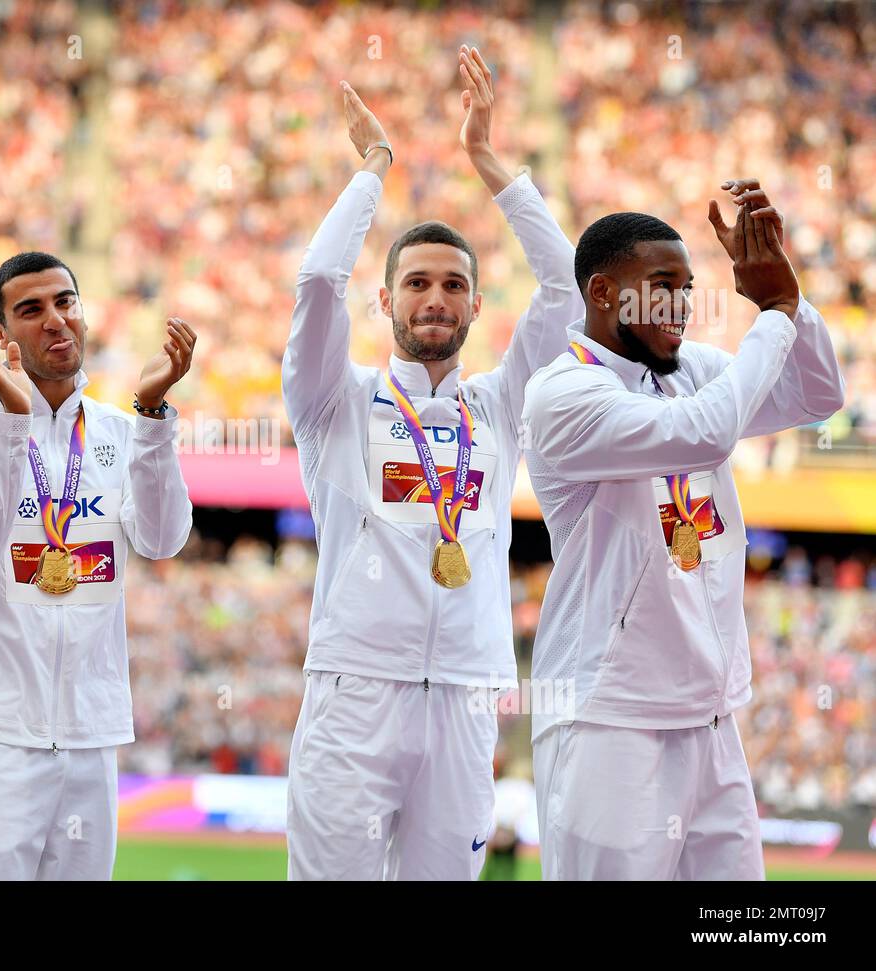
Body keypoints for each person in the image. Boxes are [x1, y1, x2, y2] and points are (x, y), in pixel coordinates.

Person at [282, 47, 583, 880]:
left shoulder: (500, 403)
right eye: (416, 282)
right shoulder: (334, 400)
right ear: (385, 301)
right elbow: (315, 282)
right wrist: (374, 169)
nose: (436, 299)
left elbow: (567, 292)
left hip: (463, 696)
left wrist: (491, 164)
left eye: (455, 284)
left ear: (479, 305)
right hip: (354, 692)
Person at [522, 181, 845, 879]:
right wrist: (775, 316)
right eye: (662, 284)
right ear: (603, 292)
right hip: (612, 718)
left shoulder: (688, 369)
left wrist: (786, 299)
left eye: (689, 286)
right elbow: (707, 433)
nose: (682, 303)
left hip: (710, 717)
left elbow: (817, 394)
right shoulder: (563, 392)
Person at [0, 251, 195, 880]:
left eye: (65, 302)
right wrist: (12, 424)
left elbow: (164, 537)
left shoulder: (122, 428)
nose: (55, 320)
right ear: (1, 335)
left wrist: (152, 418)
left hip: (89, 737)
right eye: (30, 310)